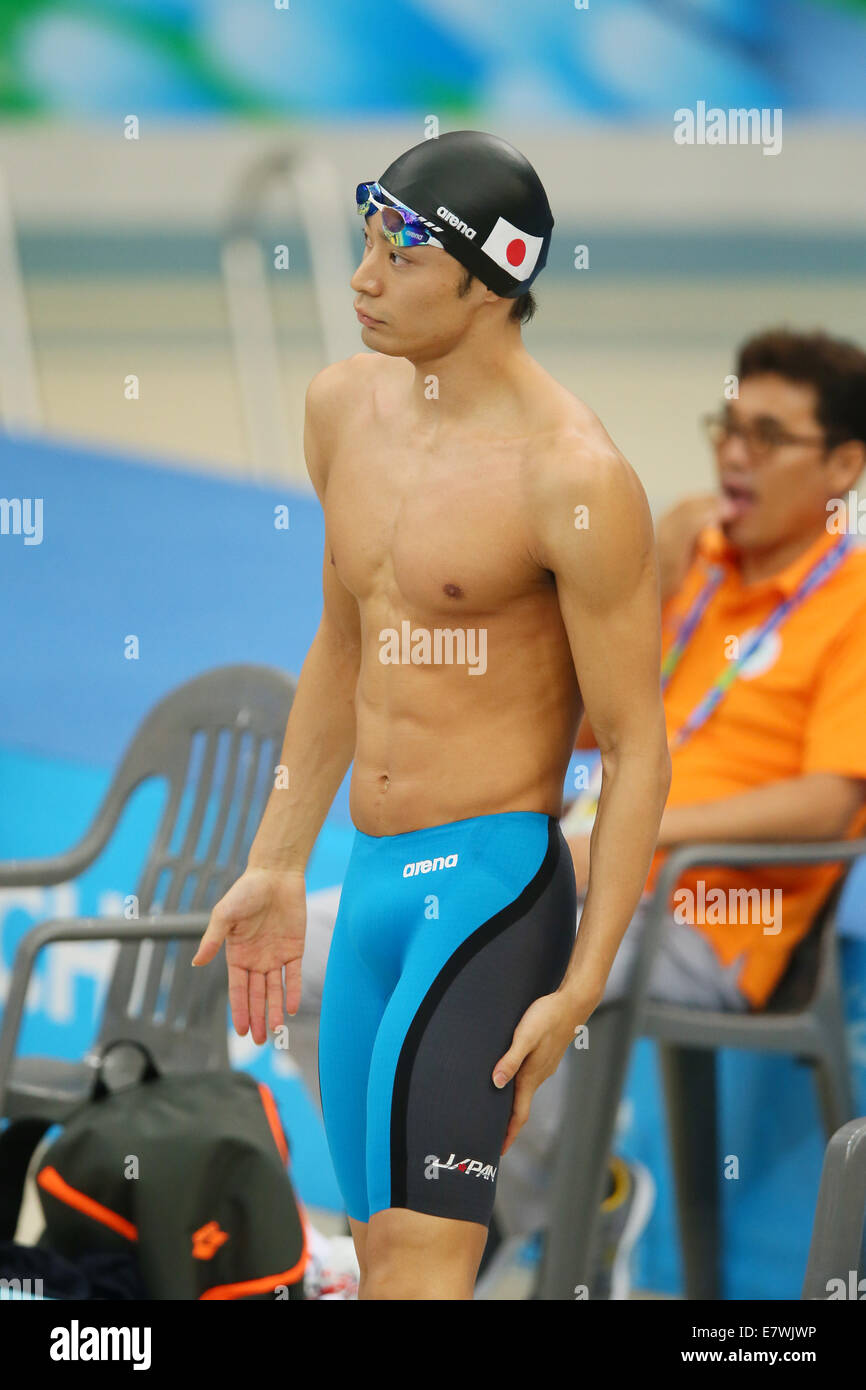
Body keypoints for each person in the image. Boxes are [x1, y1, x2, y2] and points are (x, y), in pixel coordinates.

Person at [259, 325, 866, 1299]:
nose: (732, 454)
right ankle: (472, 1205)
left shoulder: (852, 601)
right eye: (726, 425)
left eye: (766, 435)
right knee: (308, 956)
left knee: (494, 957)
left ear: (843, 463)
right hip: (579, 854)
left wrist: (630, 838)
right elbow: (593, 727)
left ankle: (500, 1215)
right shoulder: (689, 555)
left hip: (713, 914)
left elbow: (832, 799)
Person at [192, 128, 672, 1301]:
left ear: (493, 279)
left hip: (487, 889)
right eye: (366, 244)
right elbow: (342, 643)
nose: (363, 279)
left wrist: (583, 980)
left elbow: (640, 745)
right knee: (379, 1257)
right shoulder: (342, 411)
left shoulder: (572, 478)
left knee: (427, 1262)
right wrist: (274, 858)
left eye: (401, 256)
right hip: (366, 879)